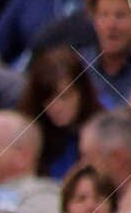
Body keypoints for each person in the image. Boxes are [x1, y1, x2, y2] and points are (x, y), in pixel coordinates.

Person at [18, 46, 100, 180]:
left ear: (82, 93)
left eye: (65, 96)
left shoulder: (101, 126)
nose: (56, 107)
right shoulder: (30, 127)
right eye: (48, 98)